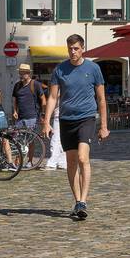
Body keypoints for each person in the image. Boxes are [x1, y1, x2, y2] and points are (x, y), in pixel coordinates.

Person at [42, 35, 108, 221]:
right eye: (70, 48)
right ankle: (78, 201)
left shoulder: (93, 69)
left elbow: (102, 99)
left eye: (76, 48)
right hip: (66, 119)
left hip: (86, 118)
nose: (73, 51)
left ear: (83, 48)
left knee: (82, 157)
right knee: (71, 162)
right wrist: (46, 121)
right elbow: (53, 98)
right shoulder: (60, 70)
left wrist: (103, 126)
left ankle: (84, 201)